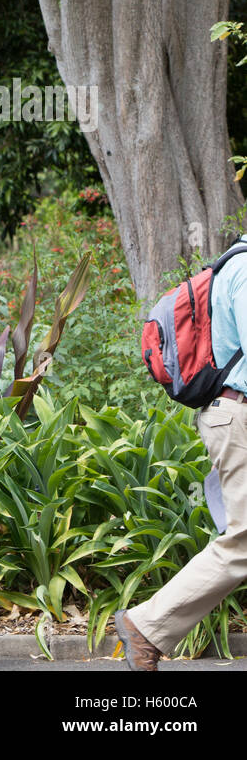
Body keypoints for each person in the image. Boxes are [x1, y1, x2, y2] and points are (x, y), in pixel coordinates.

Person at [115, 234, 247, 671]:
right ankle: (148, 625)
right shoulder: (245, 270)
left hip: (232, 416)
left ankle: (148, 627)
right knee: (244, 542)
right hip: (239, 416)